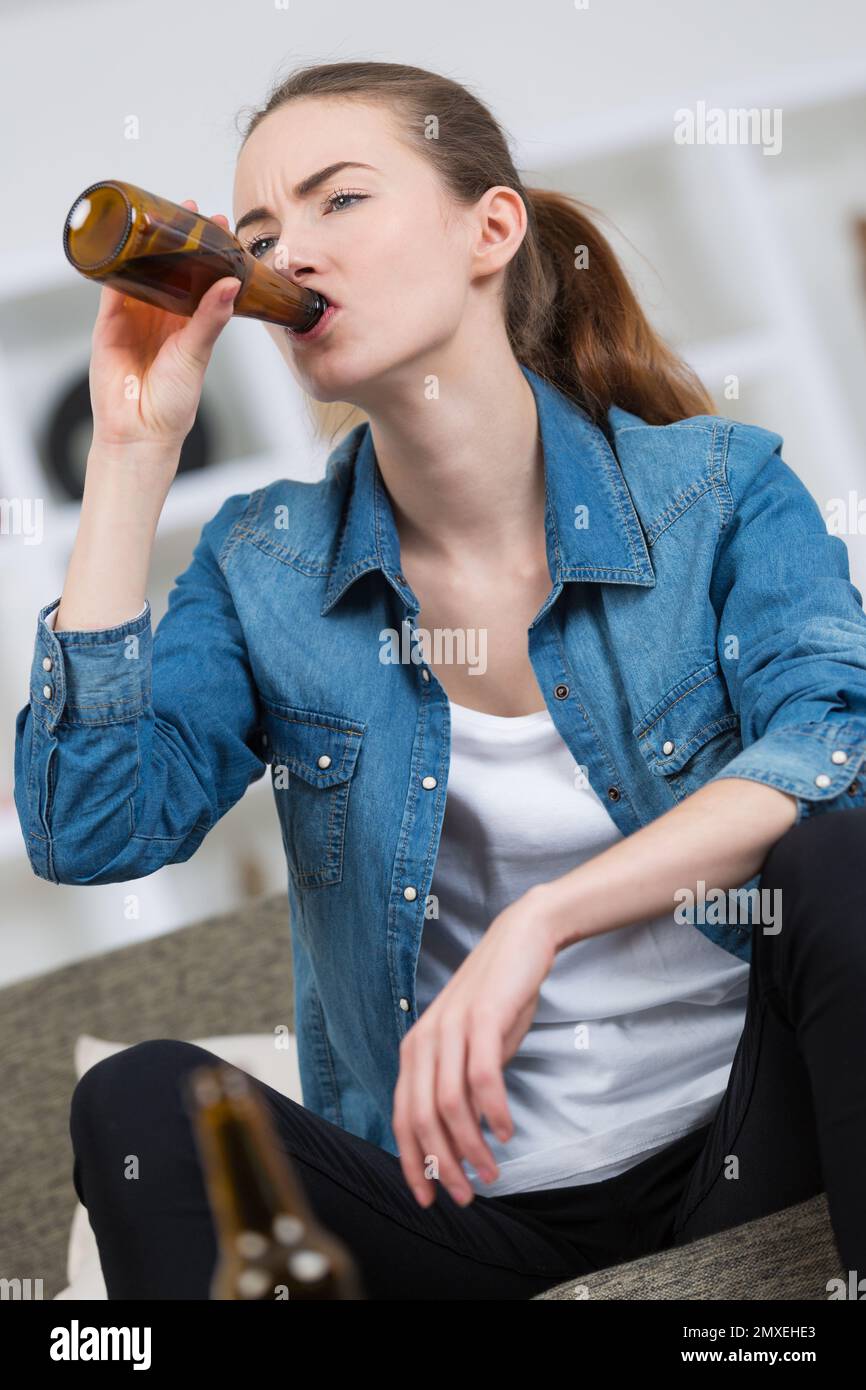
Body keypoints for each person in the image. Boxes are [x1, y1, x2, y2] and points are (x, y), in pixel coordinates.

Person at [15, 61, 866, 1300]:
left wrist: (543, 918)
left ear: (491, 228)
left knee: (840, 859)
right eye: (256, 235)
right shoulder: (263, 570)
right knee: (139, 1099)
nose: (285, 253)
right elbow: (90, 830)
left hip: (753, 1136)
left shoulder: (713, 491)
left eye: (336, 203)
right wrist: (132, 456)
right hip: (462, 1220)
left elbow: (833, 742)